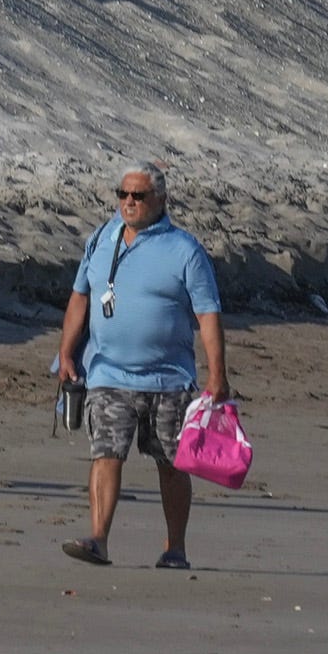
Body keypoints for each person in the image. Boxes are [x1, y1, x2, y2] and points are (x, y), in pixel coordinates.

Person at [51, 165, 227, 569]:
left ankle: (175, 548)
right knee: (106, 453)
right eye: (123, 194)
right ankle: (97, 539)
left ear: (160, 201)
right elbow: (80, 297)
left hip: (170, 378)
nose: (129, 202)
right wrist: (66, 352)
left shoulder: (185, 250)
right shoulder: (101, 238)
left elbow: (208, 315)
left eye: (139, 196)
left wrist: (218, 375)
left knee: (171, 462)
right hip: (107, 372)